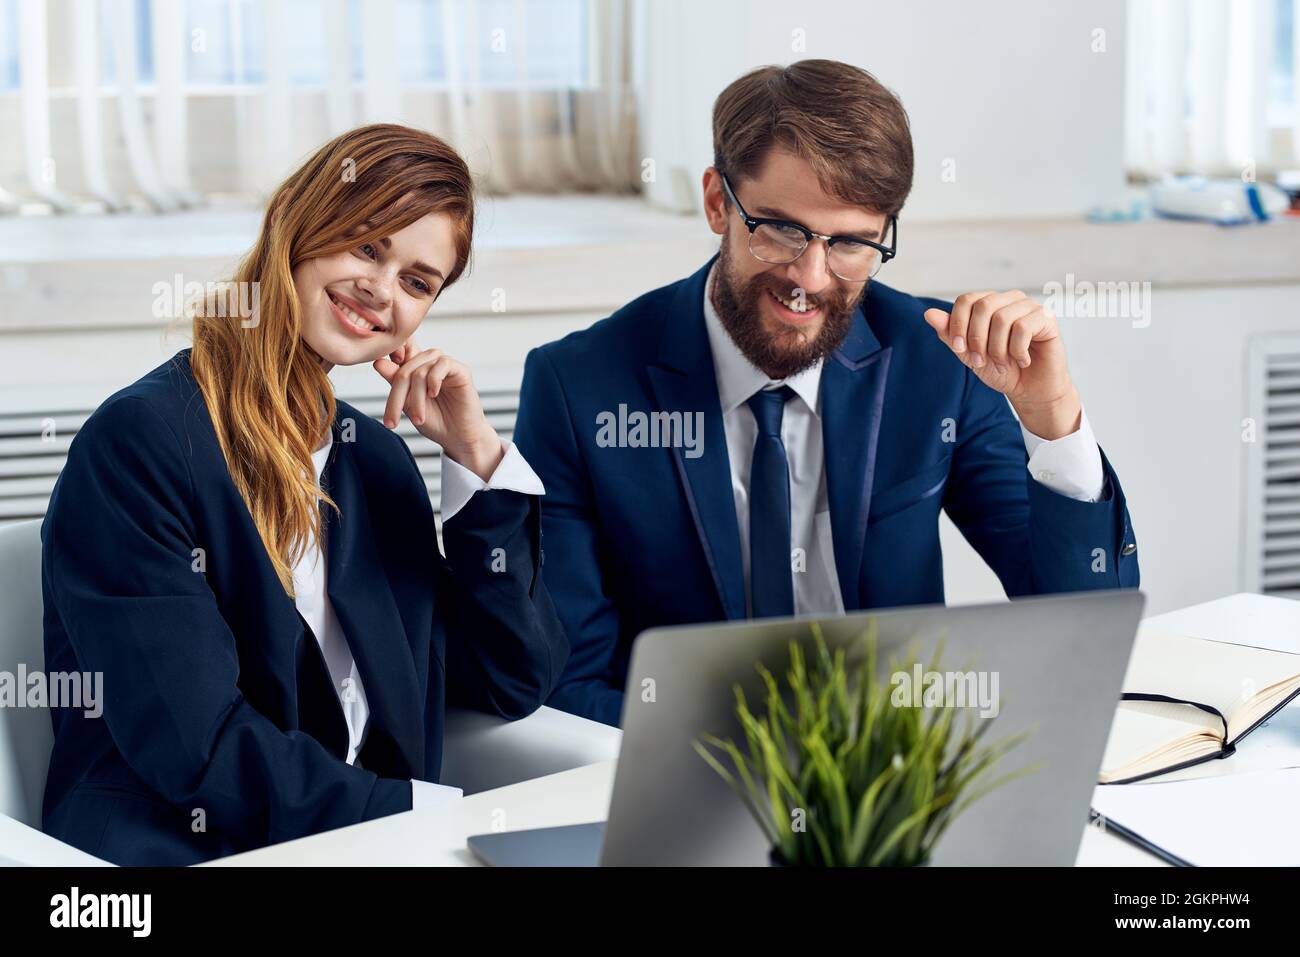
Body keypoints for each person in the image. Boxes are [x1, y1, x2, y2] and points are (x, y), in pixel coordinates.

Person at [514, 60, 1139, 728]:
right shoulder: (579, 388)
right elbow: (566, 684)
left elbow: (1082, 628)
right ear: (718, 201)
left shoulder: (938, 363)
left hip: (892, 782)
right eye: (781, 229)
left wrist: (1052, 419)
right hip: (688, 775)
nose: (808, 278)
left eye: (849, 243)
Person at [40, 124, 568, 865]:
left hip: (358, 845)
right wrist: (417, 816)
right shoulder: (141, 441)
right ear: (299, 219)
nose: (381, 289)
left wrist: (476, 458)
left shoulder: (375, 462)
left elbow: (515, 677)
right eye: (366, 244)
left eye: (417, 281)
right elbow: (196, 748)